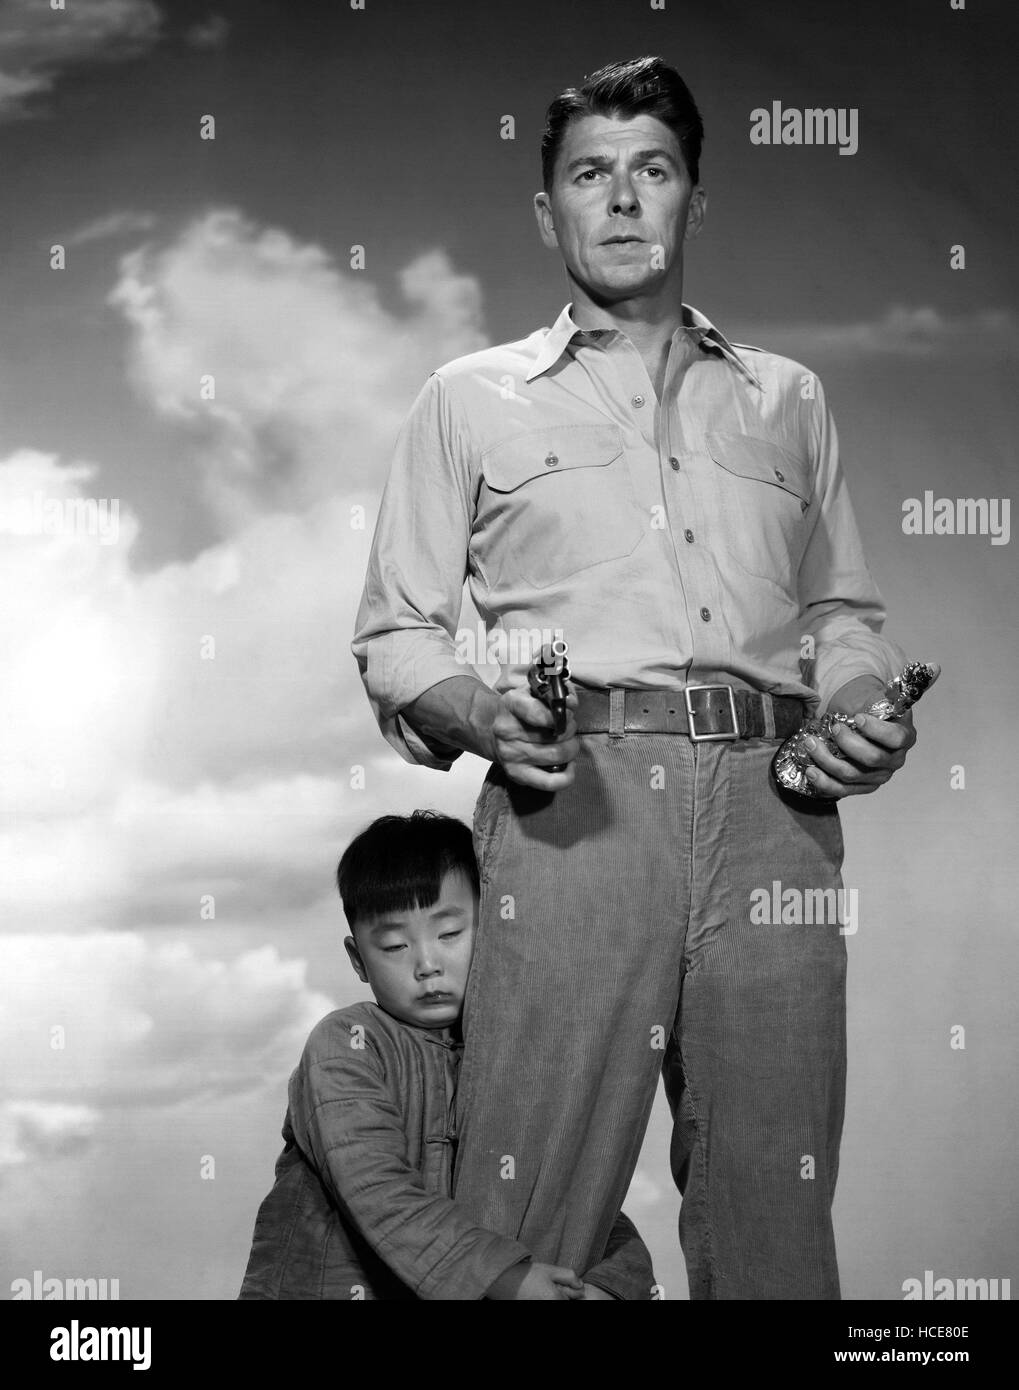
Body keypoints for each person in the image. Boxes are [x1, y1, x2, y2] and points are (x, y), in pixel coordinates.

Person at [351, 56, 919, 1299]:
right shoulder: (467, 398)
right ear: (544, 209)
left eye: (650, 171)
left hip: (781, 817)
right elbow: (397, 635)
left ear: (692, 199)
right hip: (575, 812)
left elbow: (841, 613)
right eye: (588, 175)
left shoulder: (790, 399)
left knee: (777, 1208)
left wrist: (854, 708)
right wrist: (478, 711)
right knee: (523, 1208)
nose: (619, 200)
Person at [238, 811, 654, 1300]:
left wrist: (610, 1285)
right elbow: (376, 1188)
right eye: (394, 945)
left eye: (450, 934)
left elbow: (577, 1190)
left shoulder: (514, 1058)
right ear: (357, 960)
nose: (427, 964)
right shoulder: (347, 1044)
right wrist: (506, 1278)